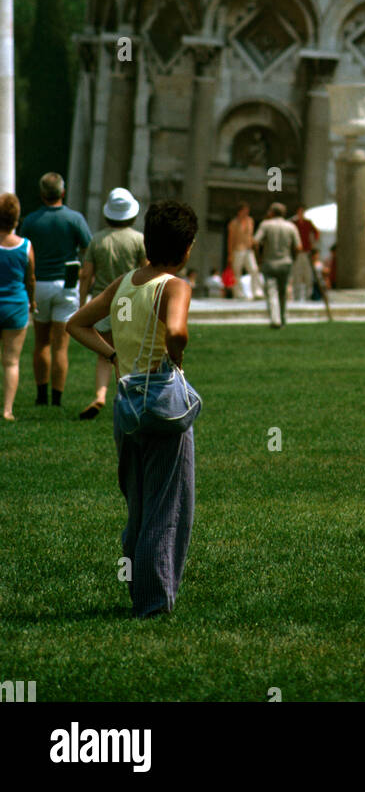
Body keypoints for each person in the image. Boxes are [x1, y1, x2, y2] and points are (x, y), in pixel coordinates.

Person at [65, 200, 198, 618]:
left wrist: (112, 356)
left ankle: (138, 588)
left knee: (138, 504)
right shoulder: (173, 286)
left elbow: (76, 324)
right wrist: (175, 358)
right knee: (168, 505)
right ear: (187, 248)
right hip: (161, 405)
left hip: (127, 404)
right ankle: (154, 602)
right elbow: (176, 330)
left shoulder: (125, 283)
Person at [21, 172, 92, 409]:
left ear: (42, 194)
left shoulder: (31, 220)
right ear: (63, 192)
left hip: (40, 283)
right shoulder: (74, 219)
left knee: (41, 342)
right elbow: (88, 248)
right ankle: (57, 397)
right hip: (66, 284)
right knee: (61, 344)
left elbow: (25, 253)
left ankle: (41, 396)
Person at [77, 188, 147, 421]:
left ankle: (99, 395)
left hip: (101, 303)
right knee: (126, 353)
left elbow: (86, 274)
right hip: (127, 301)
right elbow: (147, 272)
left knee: (105, 353)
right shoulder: (138, 239)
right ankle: (125, 397)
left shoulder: (97, 239)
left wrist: (82, 303)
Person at [0, 193, 36, 421]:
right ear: (16, 219)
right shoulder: (25, 246)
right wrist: (32, 301)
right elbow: (30, 279)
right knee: (11, 361)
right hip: (16, 306)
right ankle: (7, 410)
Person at [254, 203, 301, 328]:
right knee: (283, 292)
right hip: (286, 262)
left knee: (271, 291)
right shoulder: (291, 226)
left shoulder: (266, 225)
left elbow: (255, 241)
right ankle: (284, 318)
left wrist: (258, 257)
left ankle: (275, 319)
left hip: (269, 262)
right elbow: (298, 246)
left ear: (272, 212)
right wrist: (293, 258)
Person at [227, 203, 263, 300]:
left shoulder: (250, 221)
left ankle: (257, 292)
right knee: (237, 272)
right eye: (244, 210)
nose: (246, 212)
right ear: (240, 211)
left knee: (254, 269)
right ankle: (239, 293)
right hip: (237, 250)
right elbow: (230, 239)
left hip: (248, 250)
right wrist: (230, 254)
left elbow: (250, 235)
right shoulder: (233, 223)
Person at [291, 204, 320, 302]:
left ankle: (308, 295)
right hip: (297, 253)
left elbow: (316, 233)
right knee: (297, 274)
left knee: (308, 274)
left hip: (307, 252)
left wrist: (313, 243)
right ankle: (296, 296)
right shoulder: (293, 223)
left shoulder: (308, 223)